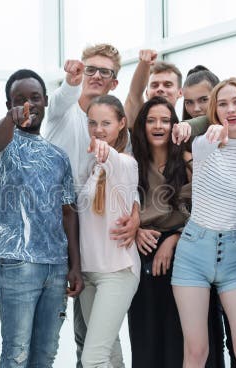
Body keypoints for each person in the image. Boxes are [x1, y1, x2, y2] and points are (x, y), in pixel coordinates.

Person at [41, 43, 138, 367]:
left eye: (104, 72)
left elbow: (125, 175)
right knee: (101, 346)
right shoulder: (63, 111)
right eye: (89, 69)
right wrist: (70, 81)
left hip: (105, 260)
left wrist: (135, 213)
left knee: (92, 345)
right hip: (61, 243)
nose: (95, 76)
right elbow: (59, 100)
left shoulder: (116, 155)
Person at [0, 69, 82, 367]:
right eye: (19, 99)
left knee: (45, 354)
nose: (29, 104)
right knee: (16, 354)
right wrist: (12, 120)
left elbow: (68, 211)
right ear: (8, 106)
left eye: (35, 97)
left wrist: (75, 264)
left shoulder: (58, 155)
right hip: (16, 264)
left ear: (46, 101)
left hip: (55, 267)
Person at [171, 78, 236, 368]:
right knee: (196, 351)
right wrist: (212, 134)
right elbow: (200, 150)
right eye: (223, 104)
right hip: (193, 253)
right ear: (214, 111)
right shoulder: (205, 143)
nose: (231, 109)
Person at [127, 96, 191, 368]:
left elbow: (203, 213)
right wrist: (136, 230)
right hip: (141, 250)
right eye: (151, 120)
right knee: (145, 336)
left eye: (165, 120)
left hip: (184, 250)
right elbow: (118, 210)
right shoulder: (131, 164)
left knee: (178, 336)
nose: (158, 126)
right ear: (141, 126)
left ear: (174, 126)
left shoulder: (188, 162)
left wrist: (174, 239)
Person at [77, 95, 140, 367]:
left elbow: (114, 159)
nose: (98, 129)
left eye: (106, 123)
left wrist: (106, 151)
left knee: (93, 359)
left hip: (117, 272)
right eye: (92, 123)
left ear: (121, 124)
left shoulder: (125, 163)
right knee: (110, 352)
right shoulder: (91, 166)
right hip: (88, 273)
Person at [125, 49, 183, 127]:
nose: (160, 89)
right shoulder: (139, 121)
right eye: (154, 85)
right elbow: (135, 94)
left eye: (167, 85)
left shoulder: (187, 131)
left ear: (180, 92)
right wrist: (145, 63)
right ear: (146, 93)